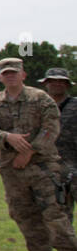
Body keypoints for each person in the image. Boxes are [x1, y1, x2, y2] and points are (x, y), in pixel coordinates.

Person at [0, 58, 77, 251]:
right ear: (0, 77)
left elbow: (52, 127)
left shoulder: (41, 99)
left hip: (43, 166)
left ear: (23, 75)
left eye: (14, 72)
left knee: (54, 211)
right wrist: (7, 138)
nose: (10, 76)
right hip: (12, 169)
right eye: (6, 73)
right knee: (23, 214)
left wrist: (30, 150)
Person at [41, 67, 77, 222]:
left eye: (61, 81)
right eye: (52, 81)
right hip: (52, 170)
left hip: (74, 164)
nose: (57, 84)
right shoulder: (38, 108)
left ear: (68, 85)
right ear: (46, 84)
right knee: (61, 216)